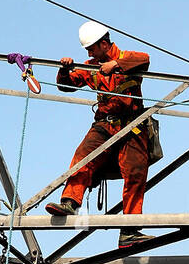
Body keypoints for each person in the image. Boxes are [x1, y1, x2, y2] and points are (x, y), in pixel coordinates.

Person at [45, 21, 153, 248]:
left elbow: (145, 58)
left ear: (104, 44)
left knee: (135, 172)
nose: (89, 53)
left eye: (92, 49)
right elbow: (66, 86)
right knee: (83, 155)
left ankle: (130, 231)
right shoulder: (90, 67)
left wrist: (116, 64)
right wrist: (64, 70)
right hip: (104, 124)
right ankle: (70, 202)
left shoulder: (127, 57)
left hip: (132, 125)